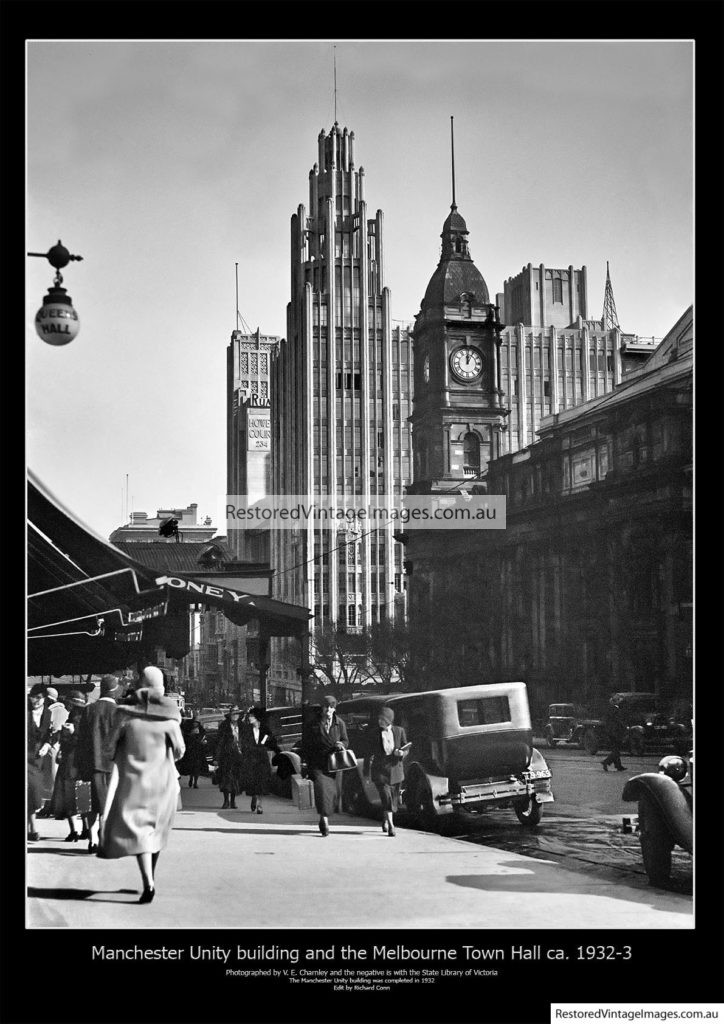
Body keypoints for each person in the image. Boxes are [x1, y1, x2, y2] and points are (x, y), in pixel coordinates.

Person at [98, 666, 185, 904]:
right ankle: (151, 877)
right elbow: (179, 752)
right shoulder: (170, 718)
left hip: (133, 783)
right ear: (160, 687)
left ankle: (148, 881)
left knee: (140, 832)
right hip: (163, 783)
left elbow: (108, 749)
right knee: (155, 832)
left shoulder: (124, 716)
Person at [76, 674, 122, 852]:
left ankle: (93, 838)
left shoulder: (89, 710)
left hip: (91, 763)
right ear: (114, 690)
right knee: (110, 803)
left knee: (90, 803)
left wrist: (79, 765)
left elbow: (82, 740)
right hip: (112, 766)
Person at [301, 696, 349, 837]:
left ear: (334, 708)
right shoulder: (312, 724)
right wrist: (305, 764)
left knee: (333, 793)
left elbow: (346, 740)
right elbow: (306, 745)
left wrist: (342, 745)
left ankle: (325, 815)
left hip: (334, 764)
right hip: (317, 763)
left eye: (331, 707)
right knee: (322, 791)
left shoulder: (340, 723)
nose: (328, 710)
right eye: (326, 707)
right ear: (321, 708)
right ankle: (324, 819)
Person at [49, 691, 92, 841]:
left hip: (70, 763)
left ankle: (74, 831)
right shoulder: (87, 719)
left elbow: (77, 741)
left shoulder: (75, 719)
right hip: (81, 764)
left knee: (69, 797)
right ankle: (86, 829)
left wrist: (71, 733)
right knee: (82, 797)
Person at [365, 706, 409, 838]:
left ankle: (385, 819)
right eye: (379, 719)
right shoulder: (374, 733)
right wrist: (366, 772)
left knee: (393, 799)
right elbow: (368, 754)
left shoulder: (399, 731)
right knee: (386, 796)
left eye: (383, 719)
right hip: (380, 771)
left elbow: (406, 747)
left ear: (389, 720)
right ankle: (391, 826)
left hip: (395, 770)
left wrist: (402, 753)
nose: (380, 721)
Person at [27, 685, 54, 842]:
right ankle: (33, 829)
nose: (35, 700)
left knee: (35, 793)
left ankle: (32, 829)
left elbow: (52, 734)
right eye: (32, 696)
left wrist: (48, 744)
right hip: (25, 755)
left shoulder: (49, 713)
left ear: (45, 698)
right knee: (30, 790)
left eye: (38, 697)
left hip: (38, 758)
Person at [240, 707, 278, 814]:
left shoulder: (265, 729)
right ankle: (254, 796)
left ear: (257, 717)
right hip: (251, 758)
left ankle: (260, 804)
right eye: (249, 716)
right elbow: (244, 743)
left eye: (252, 716)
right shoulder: (247, 729)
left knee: (262, 780)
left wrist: (266, 741)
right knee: (253, 780)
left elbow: (272, 741)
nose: (250, 718)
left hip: (262, 758)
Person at [38, 686, 68, 816]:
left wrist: (47, 744)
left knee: (51, 777)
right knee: (50, 778)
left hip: (53, 748)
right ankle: (50, 805)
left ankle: (51, 805)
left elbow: (54, 730)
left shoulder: (56, 710)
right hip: (54, 748)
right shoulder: (60, 710)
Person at [216, 707, 245, 809]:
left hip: (239, 756)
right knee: (225, 779)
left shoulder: (243, 726)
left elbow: (247, 740)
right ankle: (225, 801)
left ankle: (233, 801)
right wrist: (217, 757)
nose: (235, 716)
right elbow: (219, 741)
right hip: (226, 756)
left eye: (237, 714)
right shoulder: (224, 726)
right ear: (230, 715)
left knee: (235, 779)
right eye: (233, 714)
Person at [178, 712, 207, 789]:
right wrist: (191, 735)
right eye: (194, 723)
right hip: (191, 751)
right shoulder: (188, 730)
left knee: (197, 767)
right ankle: (191, 779)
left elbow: (204, 738)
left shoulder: (201, 730)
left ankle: (196, 782)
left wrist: (203, 742)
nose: (195, 724)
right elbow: (185, 740)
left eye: (196, 723)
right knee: (191, 767)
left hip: (198, 751)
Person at [601, 699, 628, 772]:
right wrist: (624, 727)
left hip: (611, 732)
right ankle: (606, 761)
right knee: (616, 750)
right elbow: (619, 720)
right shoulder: (615, 710)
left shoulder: (609, 709)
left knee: (616, 750)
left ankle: (618, 766)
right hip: (615, 732)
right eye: (616, 701)